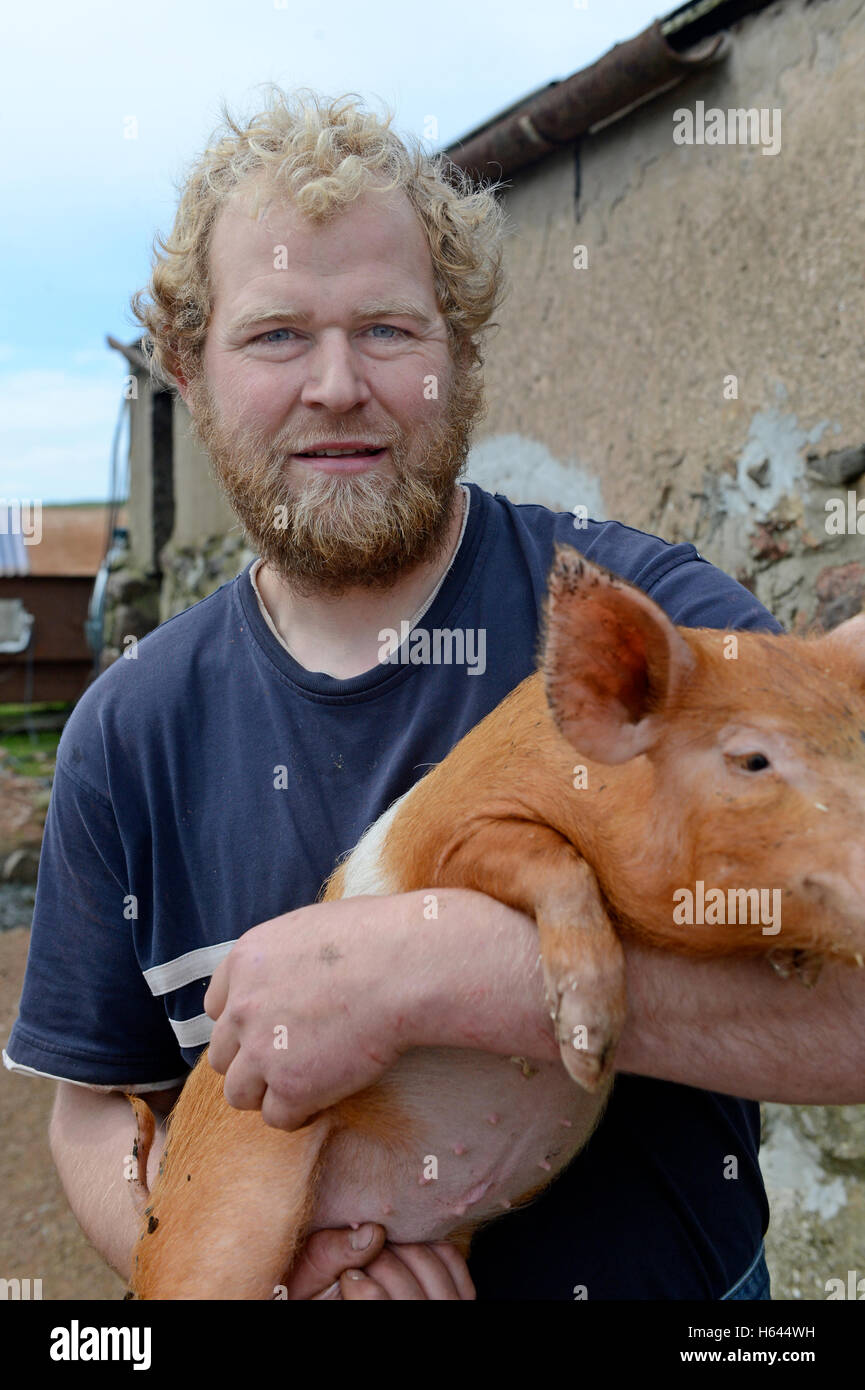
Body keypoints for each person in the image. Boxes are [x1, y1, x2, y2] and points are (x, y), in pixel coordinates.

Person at [4, 88, 863, 1302]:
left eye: (389, 331)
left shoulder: (655, 630)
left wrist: (457, 972)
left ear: (459, 355)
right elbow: (93, 1108)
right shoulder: (128, 731)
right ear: (189, 375)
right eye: (275, 337)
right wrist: (270, 1266)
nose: (338, 384)